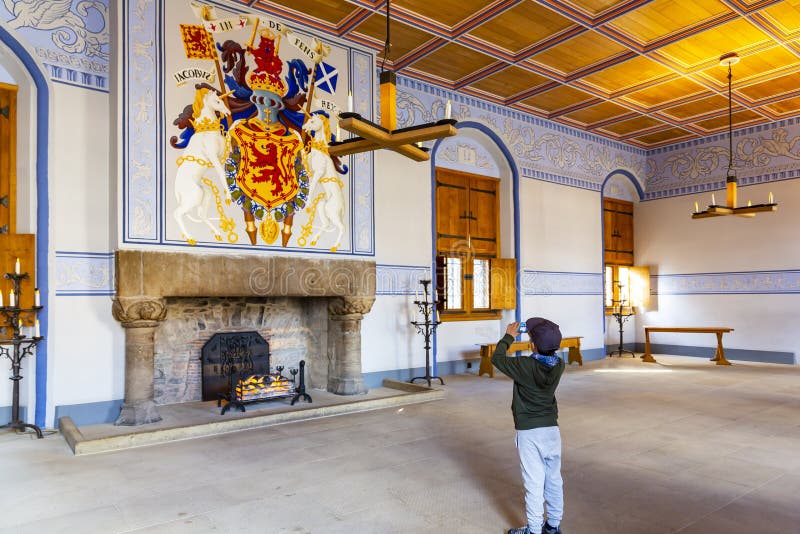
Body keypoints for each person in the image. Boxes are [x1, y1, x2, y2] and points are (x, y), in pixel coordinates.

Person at [492, 317, 565, 534]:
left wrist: (509, 337)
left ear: (532, 344)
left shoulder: (524, 366)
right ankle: (553, 526)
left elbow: (496, 358)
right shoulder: (560, 365)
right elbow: (543, 353)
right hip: (552, 430)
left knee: (534, 483)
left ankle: (533, 531)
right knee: (553, 479)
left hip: (529, 433)